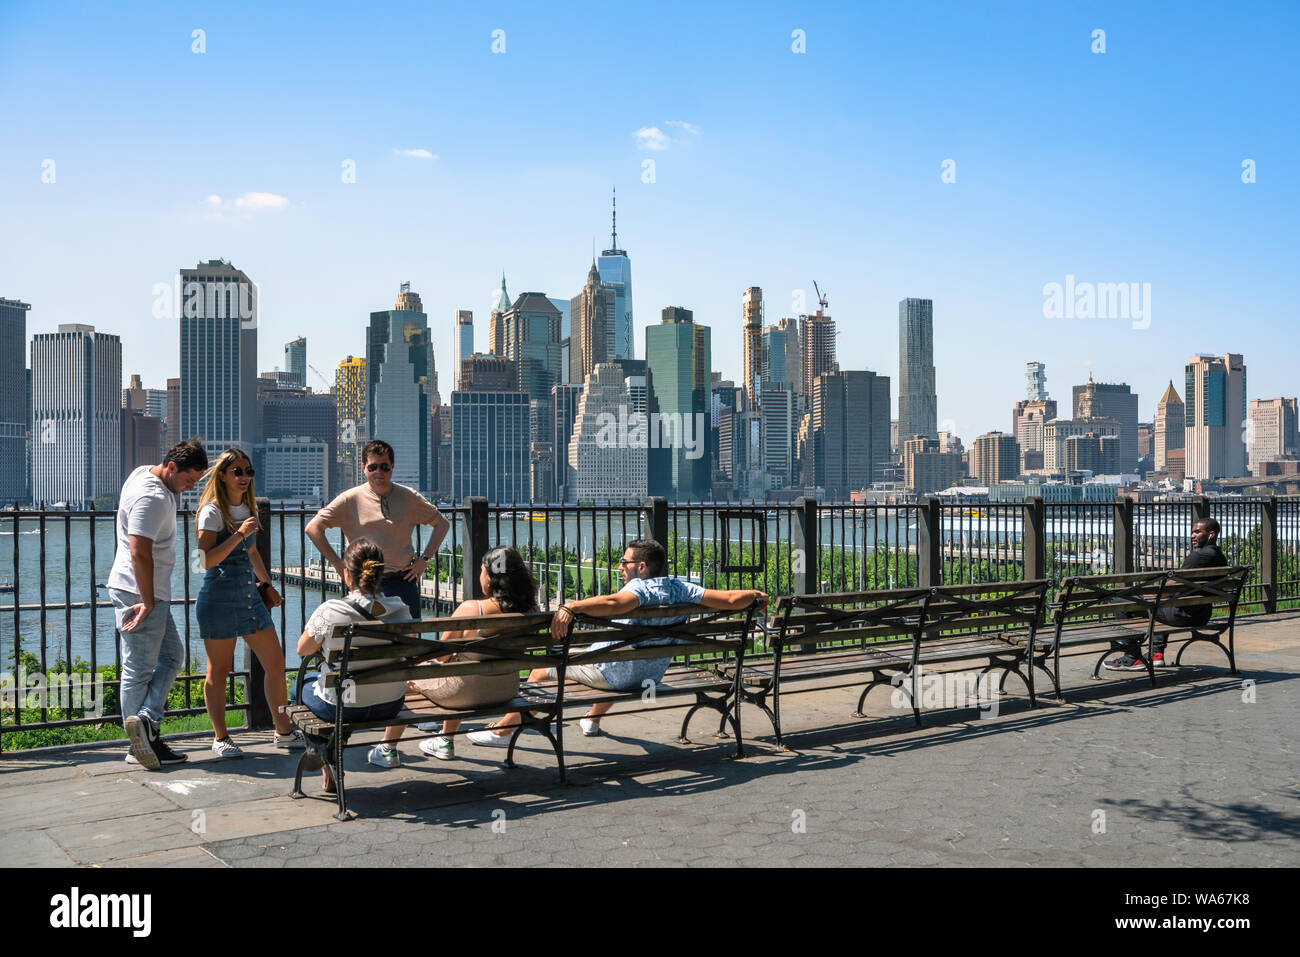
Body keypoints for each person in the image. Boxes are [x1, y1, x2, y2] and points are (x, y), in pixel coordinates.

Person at [470, 538, 767, 745]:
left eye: (624, 562)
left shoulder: (640, 589)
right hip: (650, 675)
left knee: (542, 669)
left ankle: (502, 733)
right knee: (611, 653)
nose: (620, 567)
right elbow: (729, 599)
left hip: (614, 675)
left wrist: (572, 606)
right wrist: (755, 595)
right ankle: (593, 721)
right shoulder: (679, 587)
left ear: (642, 567)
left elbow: (615, 602)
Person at [194, 448, 303, 757]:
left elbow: (253, 553)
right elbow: (204, 559)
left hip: (250, 600)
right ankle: (221, 737)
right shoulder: (212, 513)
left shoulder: (248, 508)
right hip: (218, 600)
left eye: (248, 471)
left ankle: (282, 730)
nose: (244, 477)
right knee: (219, 670)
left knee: (276, 663)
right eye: (237, 471)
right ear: (223, 476)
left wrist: (267, 584)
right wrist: (240, 535)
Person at [106, 440, 209, 770]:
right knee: (137, 671)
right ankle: (139, 744)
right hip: (140, 594)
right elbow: (140, 552)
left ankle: (147, 728)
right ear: (172, 468)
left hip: (147, 592)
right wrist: (148, 601)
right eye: (190, 480)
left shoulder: (140, 474)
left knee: (172, 655)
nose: (191, 488)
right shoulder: (153, 498)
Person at [382, 546, 537, 762]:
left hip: (462, 694)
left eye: (483, 570)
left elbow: (441, 656)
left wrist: (418, 671)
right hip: (506, 689)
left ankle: (388, 749)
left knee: (405, 673)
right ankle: (444, 739)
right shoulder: (530, 612)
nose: (480, 575)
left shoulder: (472, 609)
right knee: (462, 664)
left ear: (491, 577)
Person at [294, 539, 414, 791]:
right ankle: (330, 749)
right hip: (389, 703)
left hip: (344, 706)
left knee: (298, 689)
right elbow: (409, 652)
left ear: (347, 574)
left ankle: (325, 752)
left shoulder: (331, 610)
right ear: (381, 574)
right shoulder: (401, 610)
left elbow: (302, 649)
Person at [306, 439, 450, 619]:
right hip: (363, 585)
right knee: (366, 642)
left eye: (384, 467)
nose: (379, 472)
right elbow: (313, 528)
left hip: (402, 581)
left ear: (392, 466)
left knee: (409, 643)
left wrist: (424, 559)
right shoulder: (349, 499)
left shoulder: (408, 497)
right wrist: (338, 564)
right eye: (373, 467)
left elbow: (442, 524)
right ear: (364, 467)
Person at [1104, 517, 1228, 672]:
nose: (1192, 536)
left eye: (1197, 532)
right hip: (1202, 615)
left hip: (1181, 615)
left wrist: (1151, 597)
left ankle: (1132, 657)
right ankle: (1156, 654)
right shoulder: (1220, 558)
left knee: (1121, 601)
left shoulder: (1198, 557)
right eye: (1192, 532)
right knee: (1158, 607)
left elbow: (1170, 587)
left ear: (1211, 534)